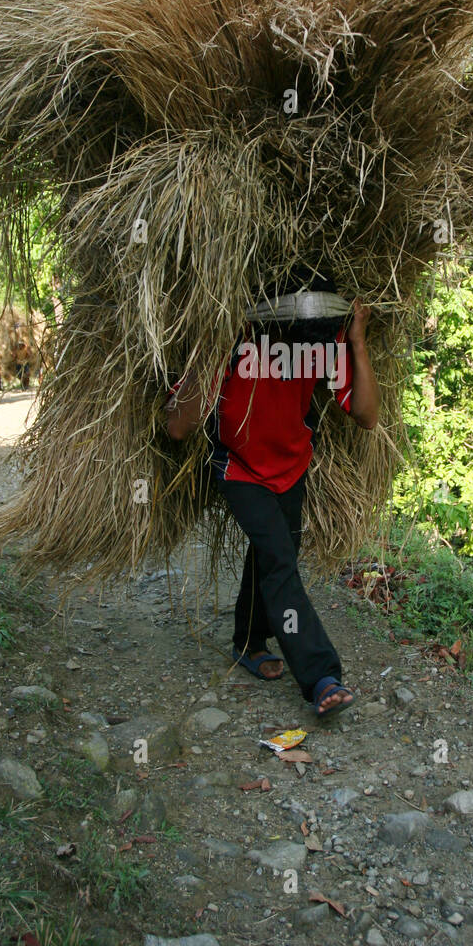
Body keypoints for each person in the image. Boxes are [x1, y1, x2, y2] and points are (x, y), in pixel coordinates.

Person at [166, 269, 380, 718]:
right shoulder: (230, 338)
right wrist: (211, 350)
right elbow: (178, 428)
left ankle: (247, 642)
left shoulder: (319, 337)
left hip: (292, 466)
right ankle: (321, 676)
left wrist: (356, 341)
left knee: (272, 555)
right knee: (280, 560)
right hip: (239, 467)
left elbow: (366, 415)